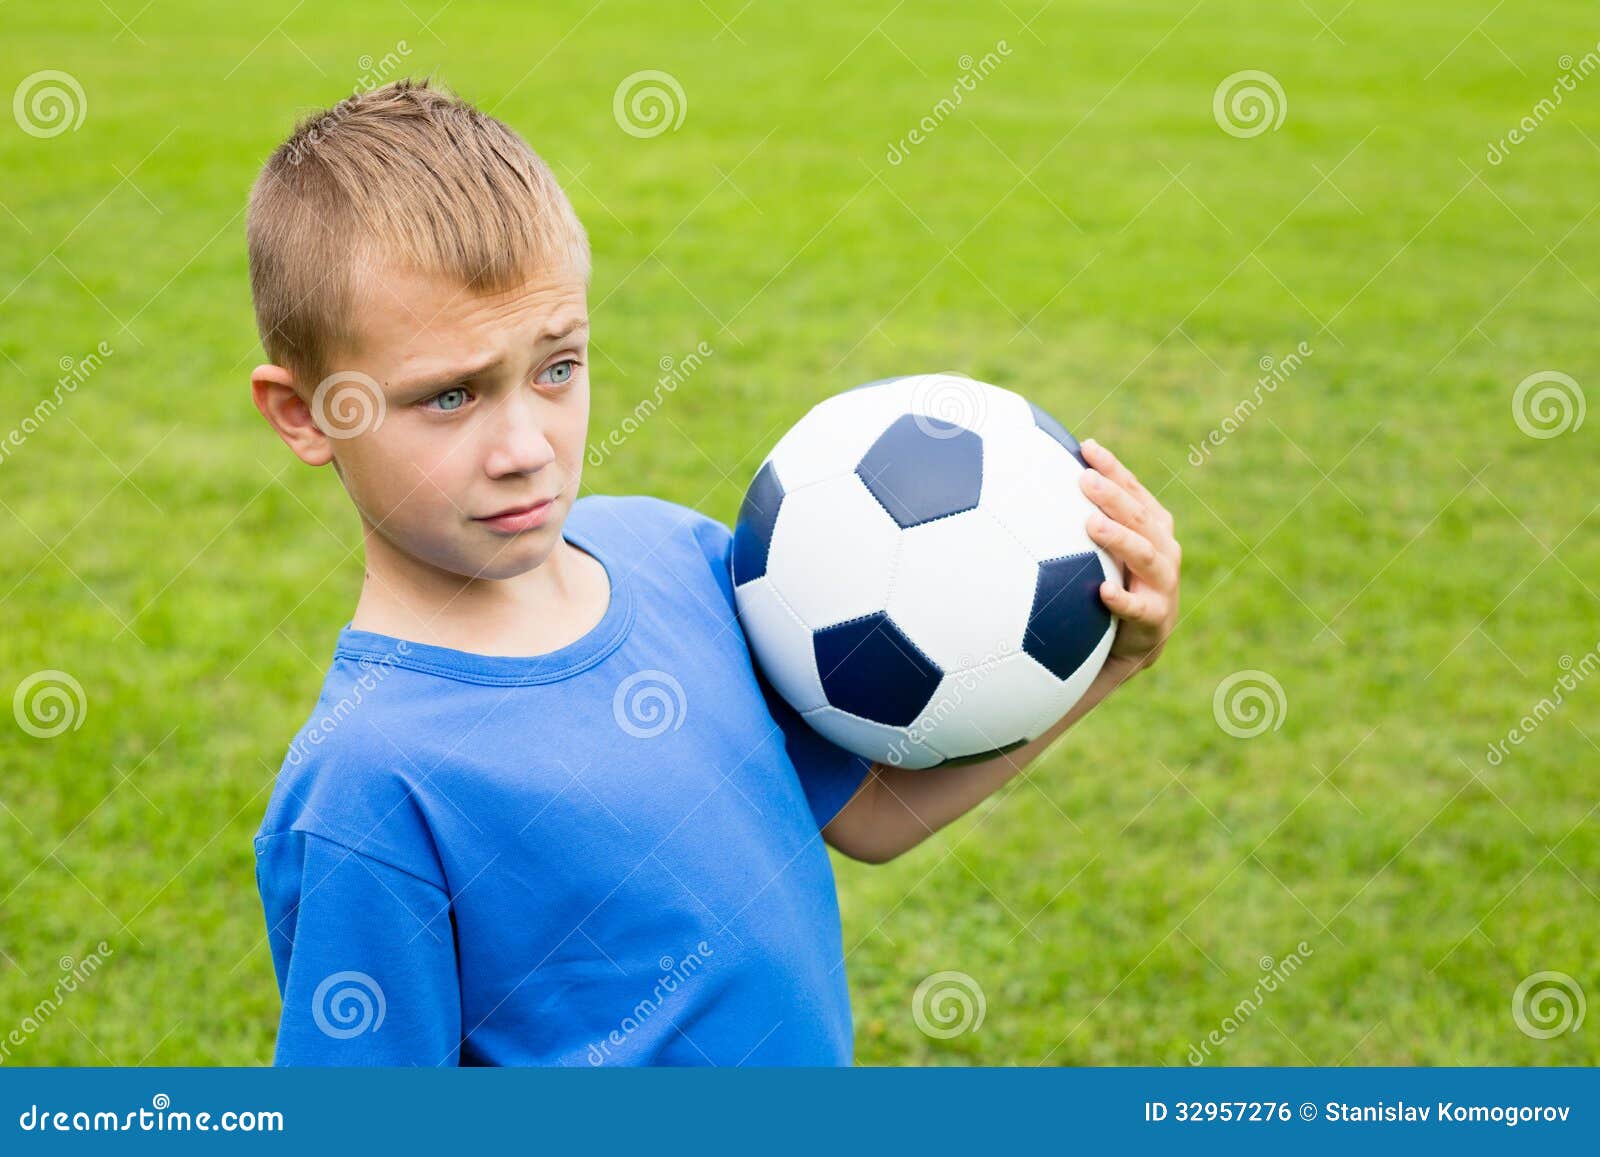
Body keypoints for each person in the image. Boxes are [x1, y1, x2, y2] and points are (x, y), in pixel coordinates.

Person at [245, 78, 1181, 1066]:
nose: (525, 445)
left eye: (556, 367)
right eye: (449, 396)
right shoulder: (369, 781)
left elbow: (864, 817)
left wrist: (1108, 660)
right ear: (306, 414)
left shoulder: (681, 558)